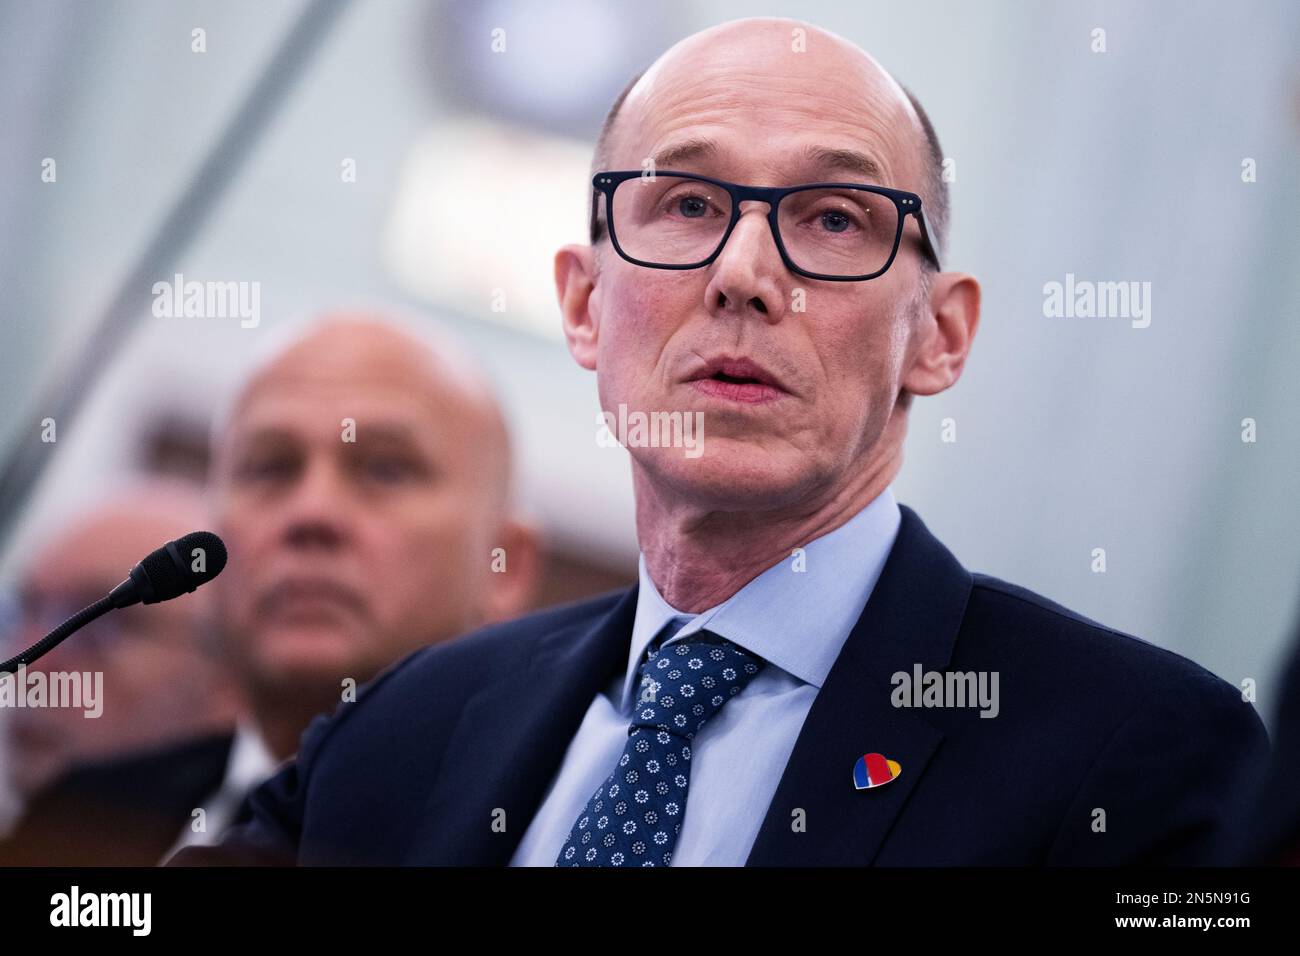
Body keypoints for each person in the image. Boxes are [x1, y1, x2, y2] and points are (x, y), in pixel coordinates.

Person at [172, 18, 1266, 867]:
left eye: (834, 218)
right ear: (585, 305)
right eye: (688, 203)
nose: (745, 272)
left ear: (937, 337)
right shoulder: (406, 727)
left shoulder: (1138, 752)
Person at [2, 312, 537, 865]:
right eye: (270, 468)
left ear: (506, 566)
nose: (311, 513)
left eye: (384, 470)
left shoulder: (549, 838)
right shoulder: (79, 811)